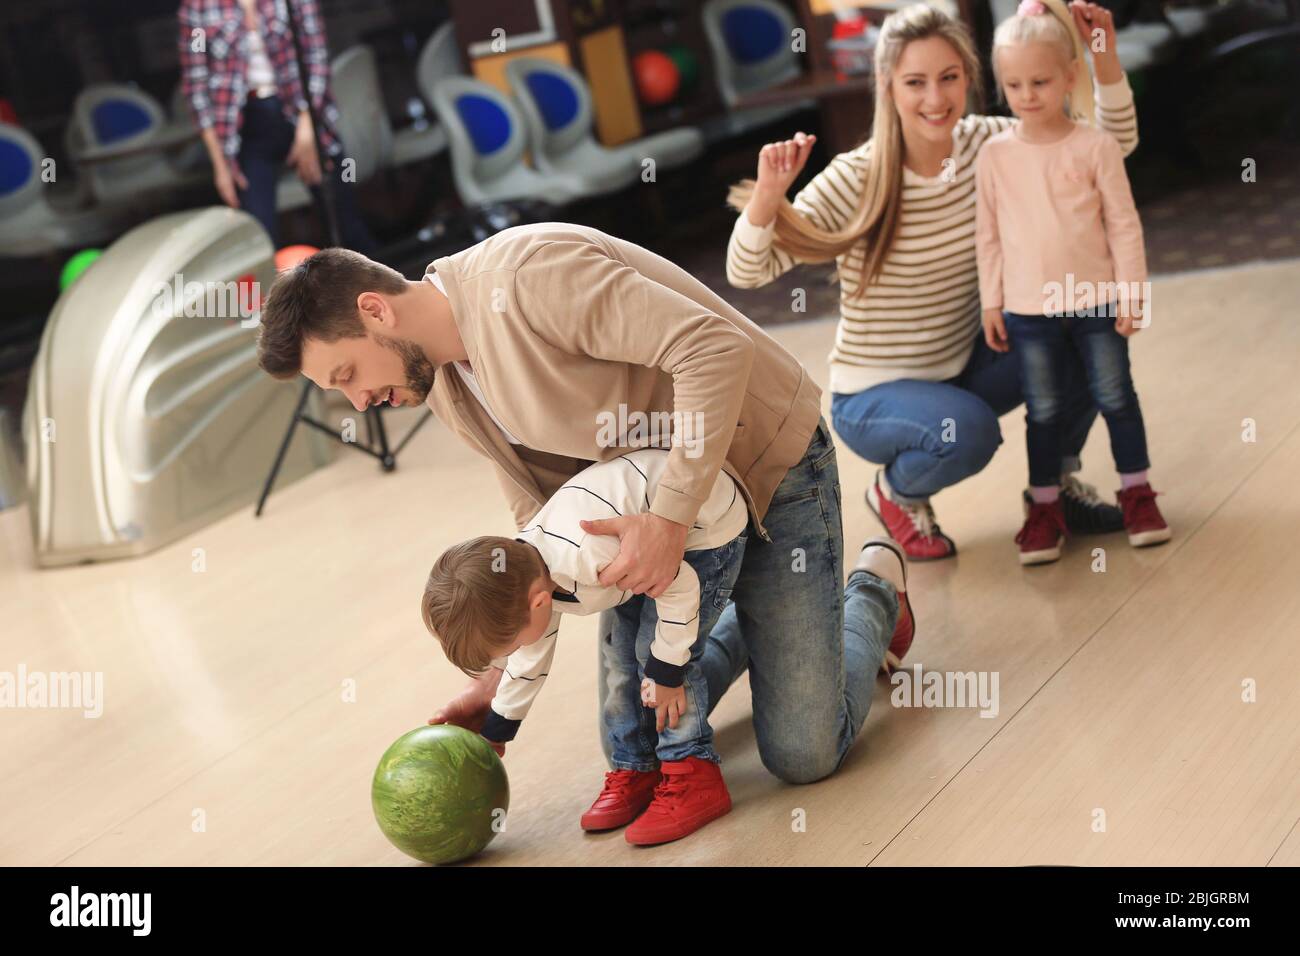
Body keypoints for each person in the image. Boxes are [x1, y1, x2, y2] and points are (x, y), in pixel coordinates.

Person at [255, 225, 915, 785]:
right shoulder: (443, 385)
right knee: (634, 741)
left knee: (804, 754)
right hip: (664, 528)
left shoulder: (529, 278)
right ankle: (768, 619)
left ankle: (873, 587)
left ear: (375, 311)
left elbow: (715, 348)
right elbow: (535, 529)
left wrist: (672, 517)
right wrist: (501, 667)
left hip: (767, 469)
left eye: (346, 376)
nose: (358, 401)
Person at [725, 2, 1139, 561]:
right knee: (967, 433)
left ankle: (1055, 489)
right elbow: (746, 272)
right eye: (915, 82)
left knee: (1083, 334)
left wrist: (1101, 55)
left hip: (965, 365)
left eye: (949, 78)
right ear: (887, 86)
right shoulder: (858, 176)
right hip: (874, 395)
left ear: (970, 77)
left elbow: (1105, 148)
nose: (935, 99)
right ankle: (895, 493)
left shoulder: (991, 149)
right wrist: (767, 200)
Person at [421, 449, 751, 846]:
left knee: (657, 654)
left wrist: (666, 673)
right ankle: (637, 766)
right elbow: (530, 658)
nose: (514, 653)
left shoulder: (587, 555)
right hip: (635, 547)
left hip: (707, 531)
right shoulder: (526, 574)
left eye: (508, 645)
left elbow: (680, 585)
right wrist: (497, 730)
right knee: (619, 656)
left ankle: (692, 772)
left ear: (539, 603)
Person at [976, 0, 1170, 565]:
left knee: (1116, 398)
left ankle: (1137, 493)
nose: (1027, 94)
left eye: (1039, 80)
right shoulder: (995, 155)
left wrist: (1133, 293)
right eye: (1013, 84)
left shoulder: (1096, 145)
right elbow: (987, 235)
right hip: (1028, 311)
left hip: (1097, 302)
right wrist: (993, 301)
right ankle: (1046, 506)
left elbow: (1124, 224)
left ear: (1068, 77)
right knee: (1044, 409)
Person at [177, 0, 377, 254]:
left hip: (303, 114)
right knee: (258, 239)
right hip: (246, 130)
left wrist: (307, 130)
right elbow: (196, 87)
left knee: (346, 225)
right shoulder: (198, 7)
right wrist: (220, 165)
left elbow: (315, 57)